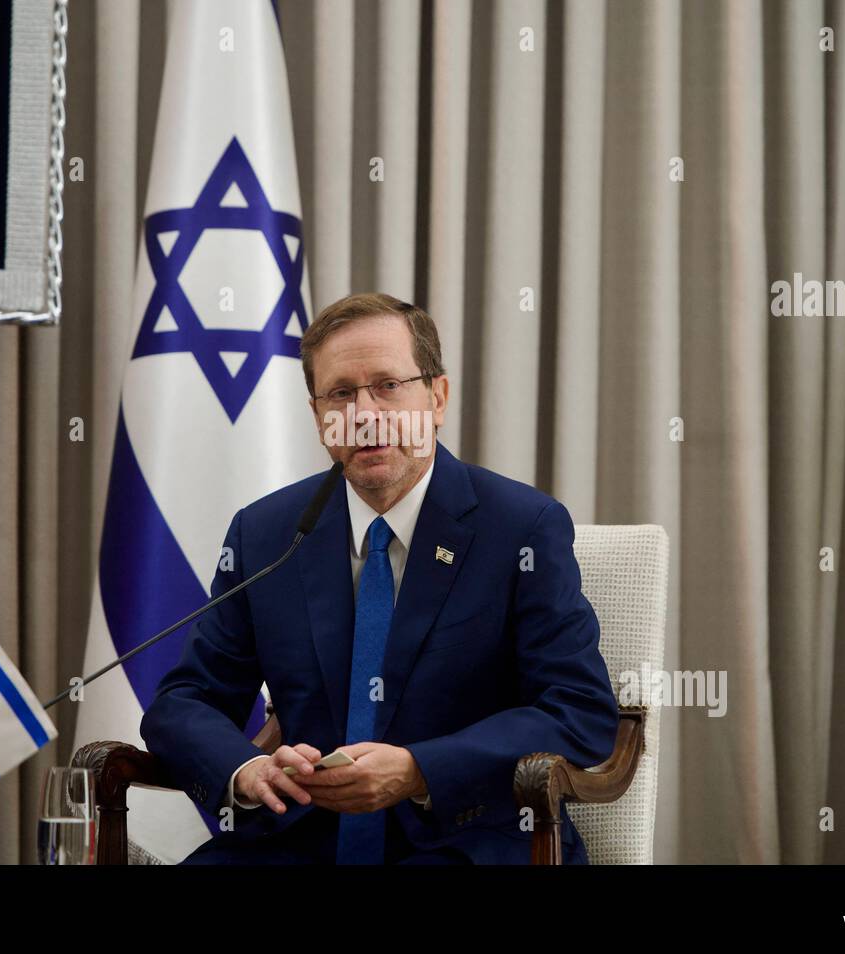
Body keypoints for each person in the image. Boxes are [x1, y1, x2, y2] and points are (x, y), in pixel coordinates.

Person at [140, 292, 619, 864]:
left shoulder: (522, 528)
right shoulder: (266, 535)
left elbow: (577, 710)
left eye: (388, 385)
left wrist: (421, 770)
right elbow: (185, 700)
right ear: (319, 418)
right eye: (341, 393)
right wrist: (246, 769)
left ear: (436, 397)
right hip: (300, 841)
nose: (364, 415)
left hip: (466, 840)